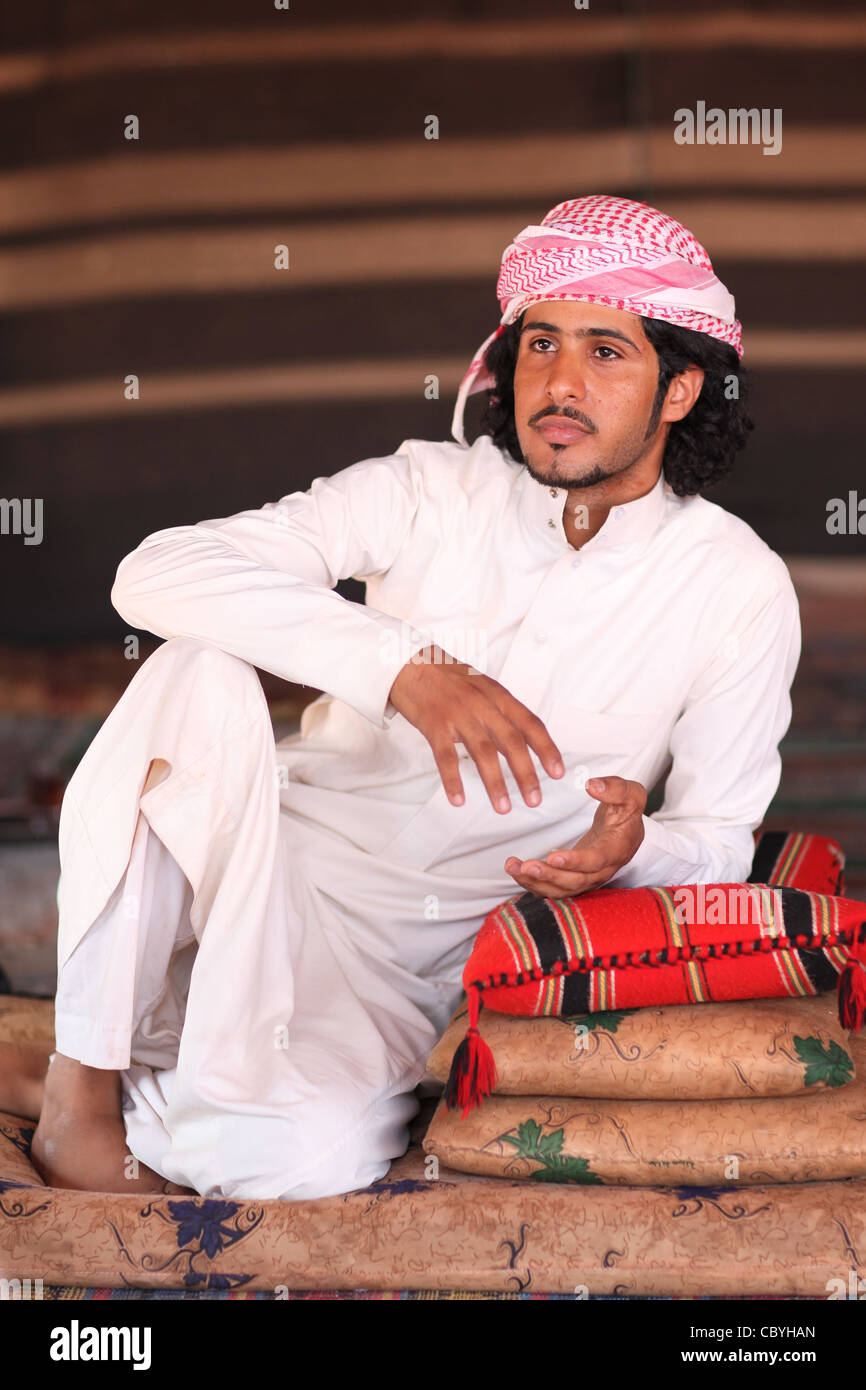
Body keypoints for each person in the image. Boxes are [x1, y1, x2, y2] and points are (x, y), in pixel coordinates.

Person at [3, 195, 800, 1201]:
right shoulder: (430, 488)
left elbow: (722, 839)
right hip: (246, 870)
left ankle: (101, 1071)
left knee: (306, 1159)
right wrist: (402, 669)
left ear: (678, 388)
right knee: (194, 671)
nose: (558, 381)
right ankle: (81, 1087)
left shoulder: (735, 585)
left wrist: (633, 849)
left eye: (607, 352)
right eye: (540, 343)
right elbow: (155, 572)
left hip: (402, 970)